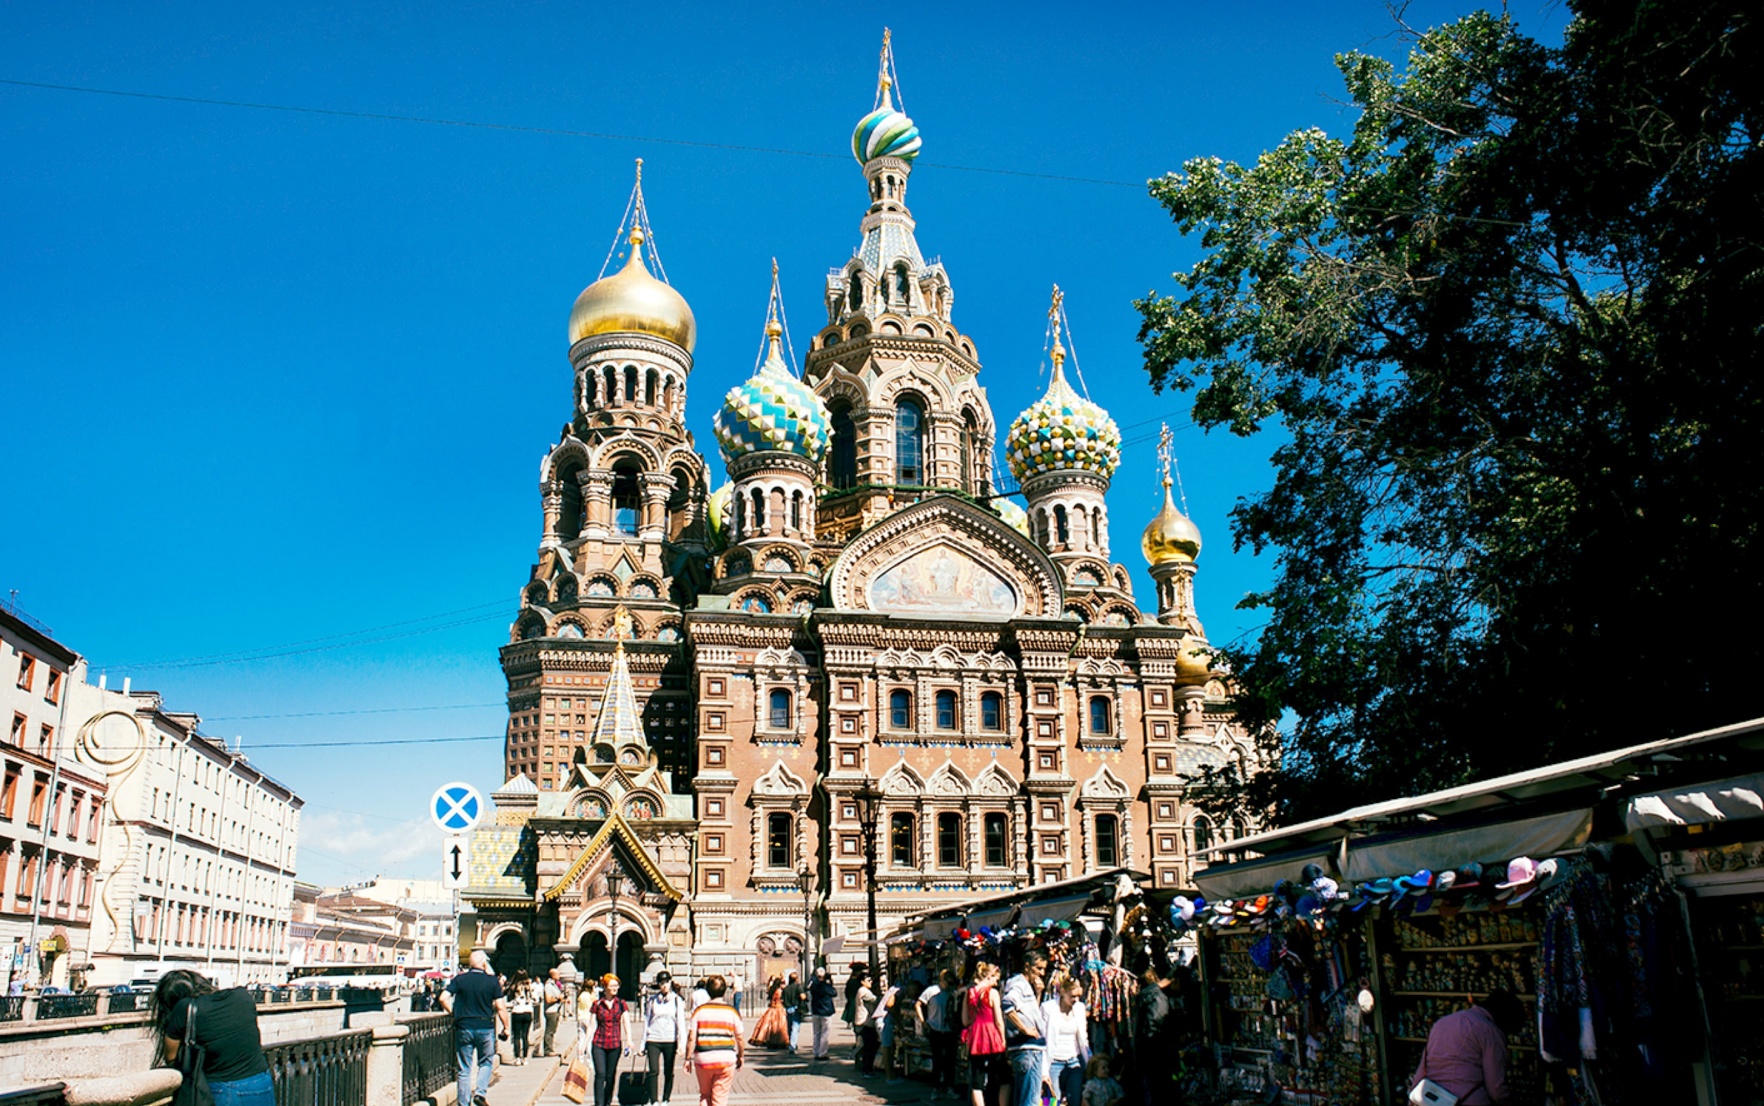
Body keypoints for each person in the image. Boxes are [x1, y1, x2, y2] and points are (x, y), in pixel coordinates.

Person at [151, 969, 273, 1106]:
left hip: (222, 1089)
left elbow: (171, 1057)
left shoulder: (184, 1008)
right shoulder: (242, 996)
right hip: (261, 1082)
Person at [1411, 991, 1520, 1105]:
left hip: (1433, 1100)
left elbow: (1422, 1068)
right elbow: (1496, 1087)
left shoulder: (1442, 1023)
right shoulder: (1489, 1031)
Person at [440, 950, 510, 1106]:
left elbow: (443, 998)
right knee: (485, 1063)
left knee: (464, 1069)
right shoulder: (492, 981)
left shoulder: (460, 979)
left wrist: (454, 1013)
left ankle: (463, 1103)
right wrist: (506, 1027)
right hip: (485, 1027)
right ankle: (480, 1093)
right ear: (484, 963)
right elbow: (501, 1007)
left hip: (464, 1027)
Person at [684, 974, 745, 1106]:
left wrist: (687, 1058)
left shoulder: (699, 1011)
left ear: (708, 990)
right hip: (725, 1059)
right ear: (724, 990)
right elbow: (740, 1037)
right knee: (720, 1099)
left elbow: (691, 1037)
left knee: (705, 1095)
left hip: (703, 1058)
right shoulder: (732, 1012)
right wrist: (741, 1056)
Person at [1002, 951, 1049, 1106]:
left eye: (1044, 969)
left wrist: (1038, 993)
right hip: (1027, 1048)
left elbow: (1030, 1014)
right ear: (1027, 966)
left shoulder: (1025, 986)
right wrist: (1024, 1029)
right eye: (1039, 968)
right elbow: (1007, 1004)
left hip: (1029, 1048)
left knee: (1026, 1097)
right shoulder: (1019, 983)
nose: (1042, 973)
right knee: (1031, 1099)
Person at [587, 973, 639, 1106]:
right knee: (600, 1074)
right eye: (612, 985)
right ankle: (599, 1103)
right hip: (599, 1043)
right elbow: (591, 1025)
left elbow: (626, 1022)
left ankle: (607, 1101)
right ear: (605, 987)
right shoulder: (597, 1004)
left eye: (617, 985)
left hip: (615, 1044)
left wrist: (629, 1040)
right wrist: (584, 1044)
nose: (615, 988)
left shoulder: (621, 1003)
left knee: (610, 1076)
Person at [961, 962, 1009, 1106]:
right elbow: (998, 1020)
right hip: (991, 1035)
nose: (996, 983)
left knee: (977, 1079)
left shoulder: (969, 993)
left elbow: (965, 1020)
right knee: (1004, 1076)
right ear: (989, 976)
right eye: (996, 979)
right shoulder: (992, 993)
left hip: (976, 1036)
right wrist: (1003, 1038)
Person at [1040, 979, 1090, 1106]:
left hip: (1074, 1060)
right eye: (1073, 996)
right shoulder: (1047, 1008)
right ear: (1062, 992)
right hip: (1054, 1061)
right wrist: (1044, 1071)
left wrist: (1089, 1061)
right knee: (1051, 1101)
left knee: (1075, 1099)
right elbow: (1042, 1040)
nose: (1076, 999)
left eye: (1078, 996)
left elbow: (1083, 1038)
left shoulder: (1080, 1008)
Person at [644, 971, 688, 1106]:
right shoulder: (652, 1000)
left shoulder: (677, 1000)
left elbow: (681, 1023)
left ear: (670, 983)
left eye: (666, 982)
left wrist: (682, 1044)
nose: (664, 985)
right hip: (654, 1039)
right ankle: (653, 1100)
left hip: (670, 1039)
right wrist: (642, 1043)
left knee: (668, 1070)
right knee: (653, 1070)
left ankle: (665, 1098)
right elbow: (647, 1021)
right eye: (661, 983)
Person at [918, 968, 958, 1099]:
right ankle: (936, 1088)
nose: (949, 984)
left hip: (949, 1030)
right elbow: (918, 1004)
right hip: (935, 1029)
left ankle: (949, 1087)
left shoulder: (951, 992)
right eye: (948, 981)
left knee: (950, 1061)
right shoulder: (932, 991)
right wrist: (923, 1021)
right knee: (937, 1060)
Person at [748, 975, 791, 1048]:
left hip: (771, 1009)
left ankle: (767, 1039)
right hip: (778, 1009)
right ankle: (779, 1041)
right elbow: (780, 1000)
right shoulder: (779, 991)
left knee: (767, 1024)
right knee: (779, 1026)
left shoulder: (772, 990)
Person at [853, 971, 881, 1074]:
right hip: (864, 1023)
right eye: (868, 980)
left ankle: (866, 1067)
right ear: (862, 981)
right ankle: (867, 1069)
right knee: (870, 1046)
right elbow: (876, 1000)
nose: (871, 981)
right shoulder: (864, 991)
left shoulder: (861, 990)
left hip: (862, 1022)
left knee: (866, 1046)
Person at [807, 966, 837, 1061]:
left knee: (816, 1033)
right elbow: (834, 993)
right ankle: (822, 1053)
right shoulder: (825, 986)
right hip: (826, 1011)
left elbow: (807, 987)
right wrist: (830, 983)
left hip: (816, 1011)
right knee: (825, 1033)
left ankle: (816, 1051)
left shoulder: (813, 985)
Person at [508, 971, 536, 1066]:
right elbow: (535, 998)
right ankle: (525, 1058)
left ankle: (517, 1058)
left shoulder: (514, 987)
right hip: (528, 1011)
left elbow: (509, 997)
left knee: (516, 1036)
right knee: (525, 1036)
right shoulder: (530, 986)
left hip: (517, 1011)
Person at [543, 967, 567, 1059]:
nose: (559, 976)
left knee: (553, 1031)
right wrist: (558, 998)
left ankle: (551, 1048)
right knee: (549, 1031)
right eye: (558, 974)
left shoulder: (554, 985)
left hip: (556, 1010)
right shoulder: (548, 986)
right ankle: (548, 1050)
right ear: (553, 975)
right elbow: (548, 999)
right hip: (551, 1011)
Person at [780, 971, 805, 1053]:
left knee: (790, 1028)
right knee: (795, 1028)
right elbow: (802, 997)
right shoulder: (798, 987)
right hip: (796, 1008)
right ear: (796, 979)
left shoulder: (786, 988)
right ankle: (792, 1046)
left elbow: (782, 1000)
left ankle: (792, 1042)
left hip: (788, 1009)